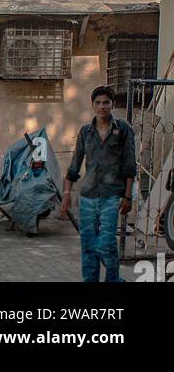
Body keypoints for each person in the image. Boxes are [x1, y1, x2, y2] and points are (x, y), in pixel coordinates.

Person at [59, 85, 136, 283]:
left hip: (111, 197)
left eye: (106, 103)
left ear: (113, 104)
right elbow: (75, 165)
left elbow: (129, 164)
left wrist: (128, 196)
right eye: (98, 103)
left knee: (104, 244)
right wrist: (66, 195)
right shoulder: (86, 132)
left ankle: (114, 279)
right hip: (87, 197)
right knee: (88, 247)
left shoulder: (123, 129)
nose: (102, 106)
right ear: (93, 105)